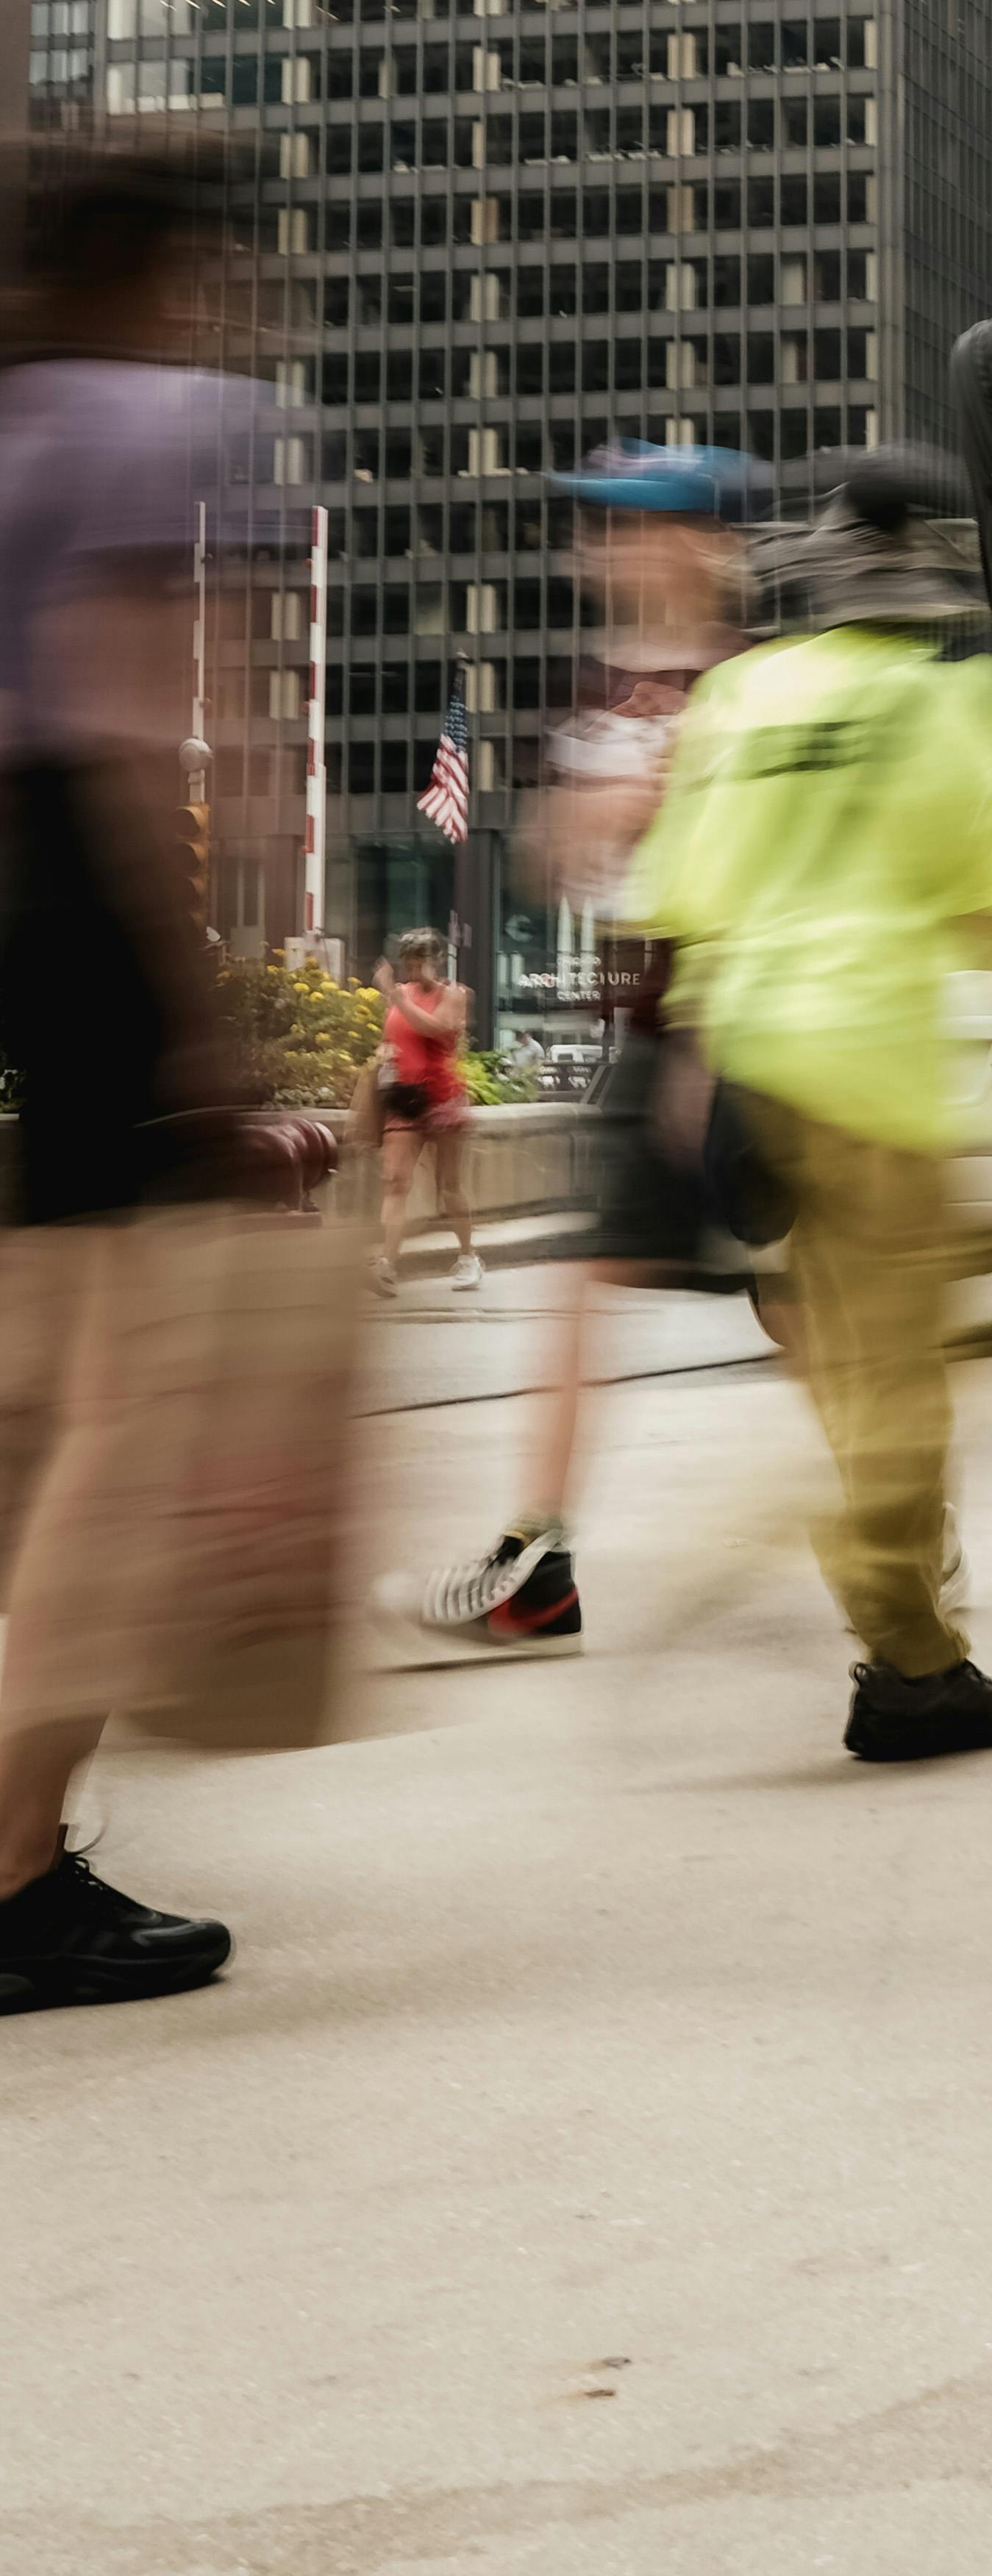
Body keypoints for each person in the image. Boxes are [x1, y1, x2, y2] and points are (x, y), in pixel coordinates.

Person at [627, 452, 992, 1755]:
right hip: (875, 1079)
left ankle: (910, 1648)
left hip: (749, 1069)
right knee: (920, 1384)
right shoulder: (943, 706)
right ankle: (896, 1651)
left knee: (847, 1369)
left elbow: (675, 908)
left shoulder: (741, 695)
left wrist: (696, 1067)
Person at [0, 140, 273, 2016]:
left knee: (38, 1396)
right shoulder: (171, 419)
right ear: (162, 271)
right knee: (121, 1416)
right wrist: (204, 1016)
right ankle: (14, 1867)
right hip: (64, 890)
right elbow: (160, 717)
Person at [375, 448, 757, 1658]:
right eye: (600, 525)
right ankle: (539, 1564)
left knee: (820, 1301)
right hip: (659, 1017)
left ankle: (906, 1530)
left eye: (637, 525)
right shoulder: (608, 688)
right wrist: (590, 816)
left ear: (702, 543)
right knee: (597, 1290)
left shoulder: (748, 683)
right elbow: (553, 858)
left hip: (736, 1016)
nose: (604, 546)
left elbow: (759, 867)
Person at [363, 929, 479, 1298]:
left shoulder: (456, 995)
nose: (414, 969)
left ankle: (468, 1256)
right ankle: (387, 1264)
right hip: (405, 1100)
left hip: (442, 1099)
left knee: (448, 1186)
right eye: (409, 962)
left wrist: (396, 995)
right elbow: (393, 1038)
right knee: (395, 1180)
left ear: (438, 960)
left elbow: (436, 1029)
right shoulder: (402, 995)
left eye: (421, 961)